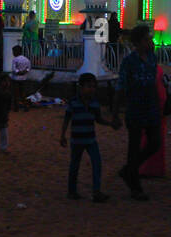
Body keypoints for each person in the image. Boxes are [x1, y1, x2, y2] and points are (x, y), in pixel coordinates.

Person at [114, 24, 162, 200]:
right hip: (135, 107)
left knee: (154, 143)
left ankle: (129, 170)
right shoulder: (129, 62)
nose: (151, 42)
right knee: (134, 147)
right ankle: (135, 186)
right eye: (147, 39)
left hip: (150, 107)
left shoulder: (152, 58)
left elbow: (154, 82)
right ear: (139, 42)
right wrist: (115, 113)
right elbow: (120, 87)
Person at [61, 73, 114, 201]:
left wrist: (110, 124)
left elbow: (98, 119)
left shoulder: (94, 103)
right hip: (78, 140)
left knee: (95, 164)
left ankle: (95, 191)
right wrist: (62, 135)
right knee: (75, 165)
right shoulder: (74, 102)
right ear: (81, 87)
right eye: (89, 86)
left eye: (93, 86)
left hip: (89, 139)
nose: (92, 89)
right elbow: (66, 119)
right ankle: (73, 191)